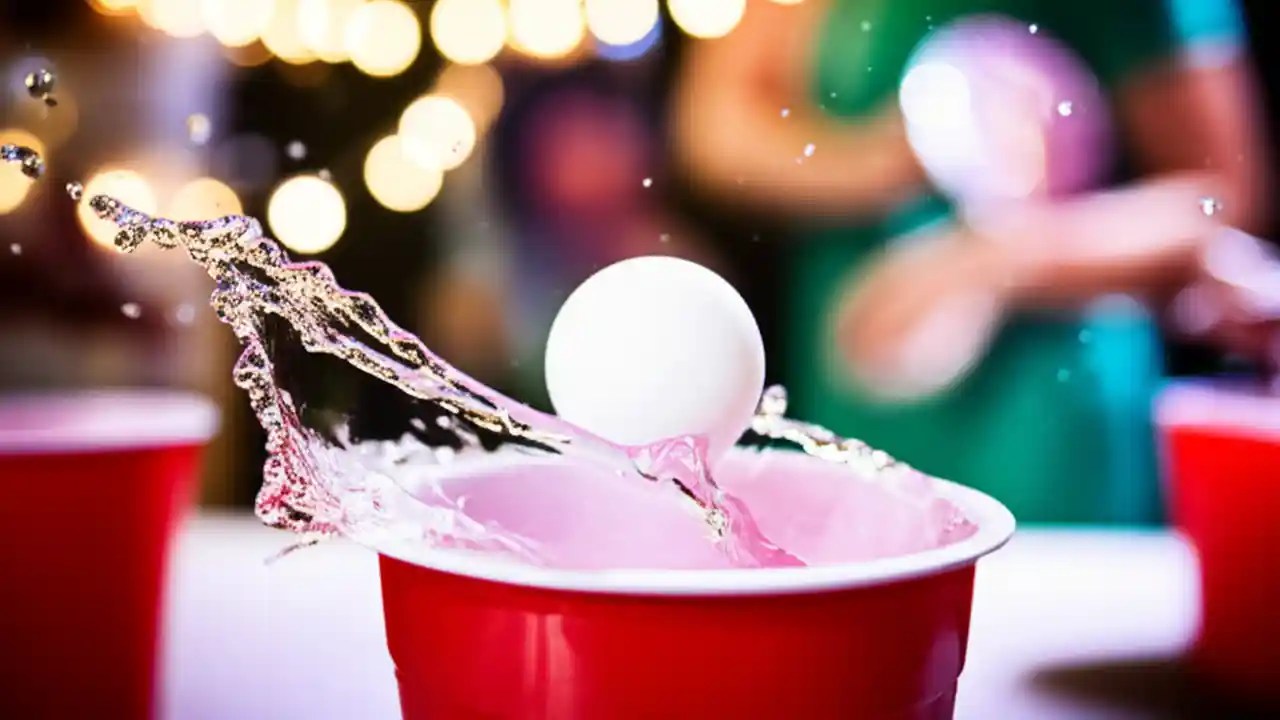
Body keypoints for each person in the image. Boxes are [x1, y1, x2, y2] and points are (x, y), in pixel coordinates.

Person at [674, 0, 1272, 523]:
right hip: (857, 383)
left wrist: (994, 258)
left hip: (1048, 404)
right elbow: (714, 130)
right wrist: (889, 162)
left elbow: (1224, 195)